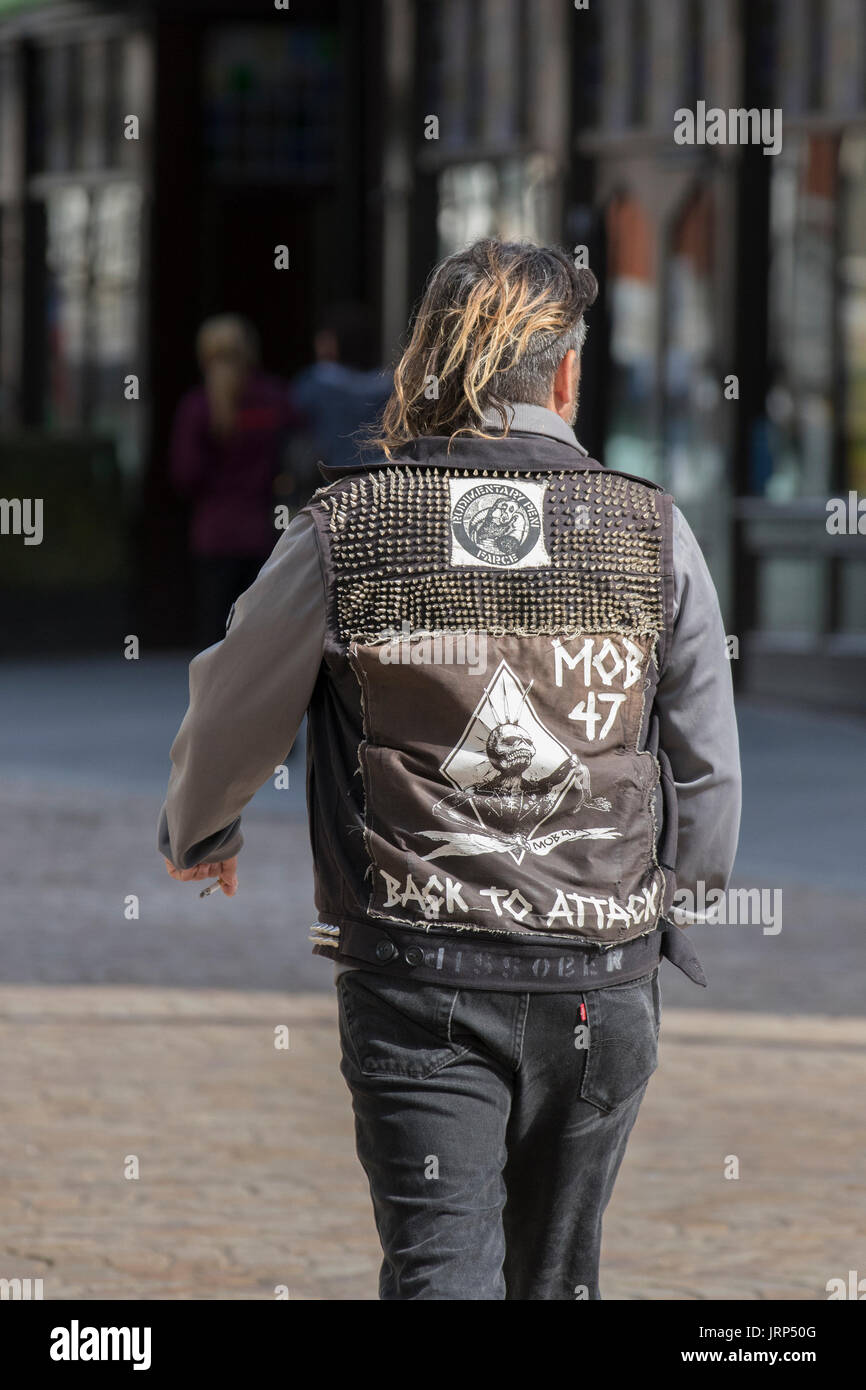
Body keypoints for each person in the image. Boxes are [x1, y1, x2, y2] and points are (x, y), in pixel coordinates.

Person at [158, 240, 741, 1301]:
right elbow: (706, 760)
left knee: (438, 1271)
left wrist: (203, 829)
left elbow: (232, 697)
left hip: (417, 969)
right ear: (565, 376)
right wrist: (675, 913)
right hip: (597, 982)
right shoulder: (650, 528)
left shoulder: (347, 528)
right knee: (559, 1280)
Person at [168, 314, 301, 648]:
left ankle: (215, 699)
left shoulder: (197, 407)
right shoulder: (274, 398)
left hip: (214, 534)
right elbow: (296, 455)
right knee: (257, 632)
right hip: (263, 532)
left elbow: (186, 474)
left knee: (215, 634)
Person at [289, 301, 392, 488]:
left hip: (330, 486)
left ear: (335, 343)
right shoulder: (392, 387)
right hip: (380, 484)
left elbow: (293, 428)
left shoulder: (315, 384)